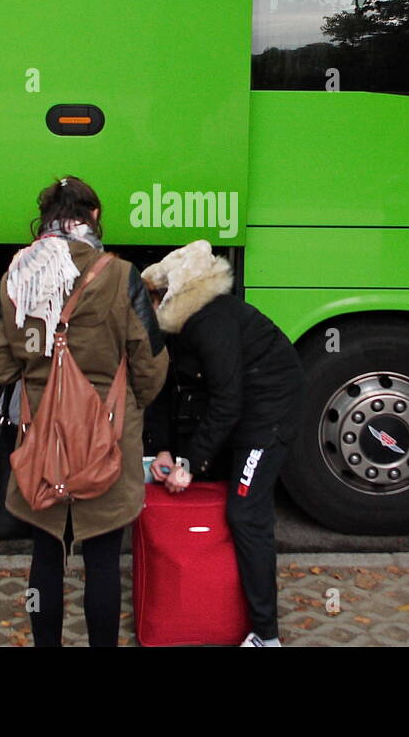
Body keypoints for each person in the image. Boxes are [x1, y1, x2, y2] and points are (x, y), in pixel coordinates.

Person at [0, 176, 168, 647]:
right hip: (107, 437)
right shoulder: (121, 275)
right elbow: (149, 361)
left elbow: (1, 365)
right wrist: (128, 406)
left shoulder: (14, 277)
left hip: (41, 437)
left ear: (45, 218)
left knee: (46, 557)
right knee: (104, 560)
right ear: (92, 217)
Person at [141, 239, 306, 647]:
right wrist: (163, 449)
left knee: (246, 513)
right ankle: (212, 606)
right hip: (239, 406)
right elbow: (164, 389)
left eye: (153, 297)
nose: (148, 305)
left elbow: (227, 401)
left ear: (170, 294)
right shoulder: (174, 327)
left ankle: (266, 636)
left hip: (269, 412)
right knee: (217, 496)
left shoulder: (210, 321)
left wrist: (190, 463)